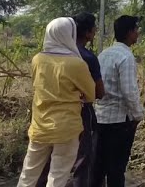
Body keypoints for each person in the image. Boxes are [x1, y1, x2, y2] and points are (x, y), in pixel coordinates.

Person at [16, 18, 98, 187]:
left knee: (28, 174)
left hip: (39, 126)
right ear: (70, 34)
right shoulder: (77, 64)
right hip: (66, 128)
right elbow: (91, 95)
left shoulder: (37, 59)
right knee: (58, 176)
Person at [36, 13, 105, 187]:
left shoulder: (46, 56)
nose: (95, 31)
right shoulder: (86, 58)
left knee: (45, 159)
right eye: (94, 28)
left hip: (46, 111)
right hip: (79, 112)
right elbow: (98, 92)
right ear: (88, 33)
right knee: (82, 160)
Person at [91, 16, 143, 187]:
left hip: (100, 118)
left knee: (97, 167)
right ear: (129, 33)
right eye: (136, 29)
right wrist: (137, 115)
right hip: (119, 122)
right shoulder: (126, 57)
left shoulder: (103, 54)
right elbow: (129, 92)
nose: (138, 33)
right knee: (116, 169)